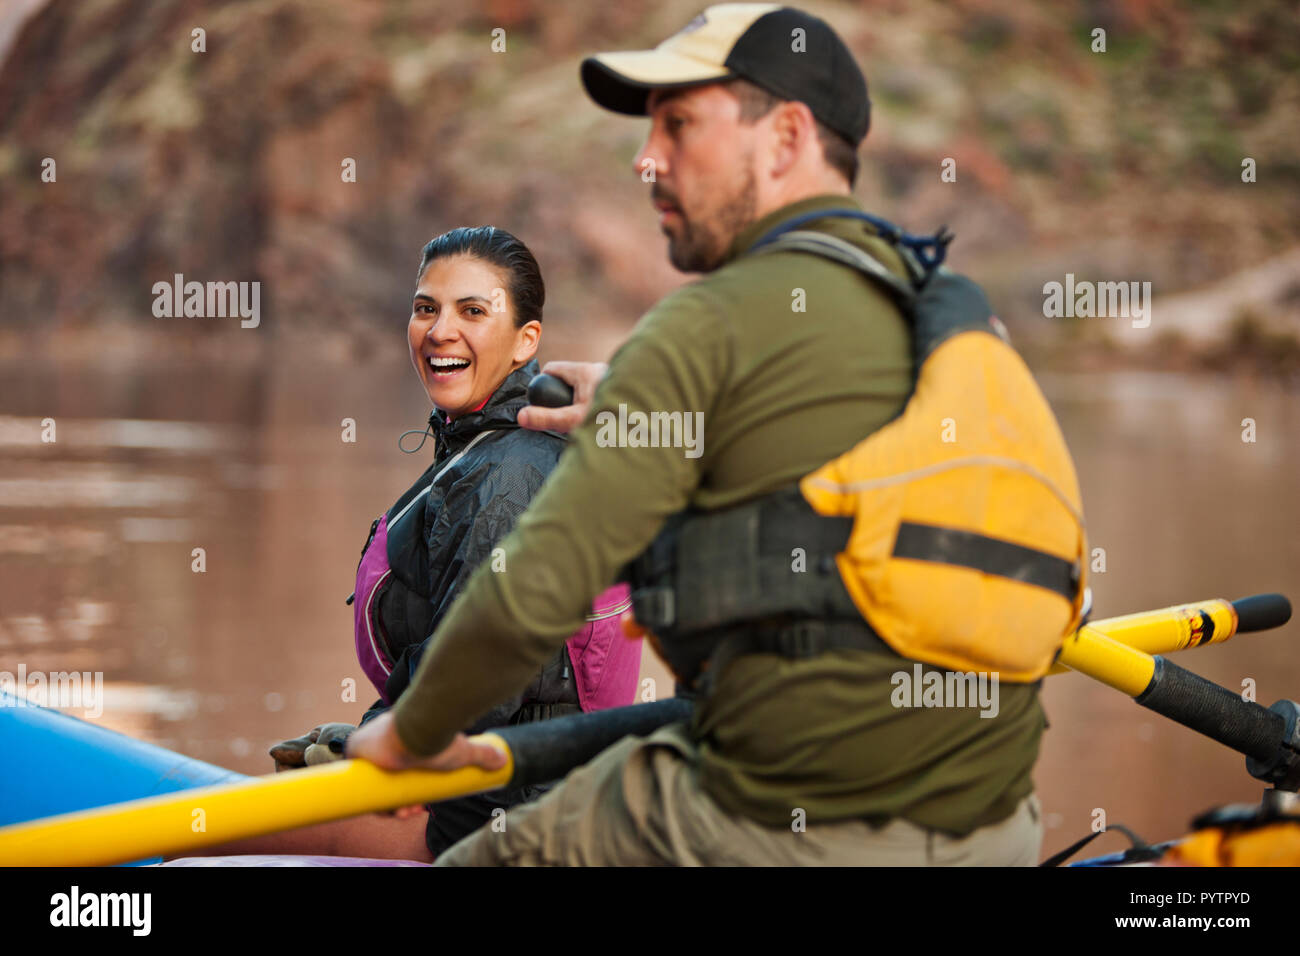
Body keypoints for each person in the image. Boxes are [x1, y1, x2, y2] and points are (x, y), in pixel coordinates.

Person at [348, 4, 1052, 866]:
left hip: (797, 826)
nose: (648, 159)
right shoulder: (948, 315)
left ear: (785, 137)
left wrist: (407, 735)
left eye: (678, 126)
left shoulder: (705, 330)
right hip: (1000, 819)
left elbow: (530, 592)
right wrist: (651, 408)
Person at [198, 226, 639, 863]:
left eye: (473, 311)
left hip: (499, 819)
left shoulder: (509, 473)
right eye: (426, 308)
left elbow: (482, 678)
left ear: (526, 342)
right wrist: (365, 737)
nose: (439, 331)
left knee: (202, 837)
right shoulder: (483, 444)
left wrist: (375, 747)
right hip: (504, 789)